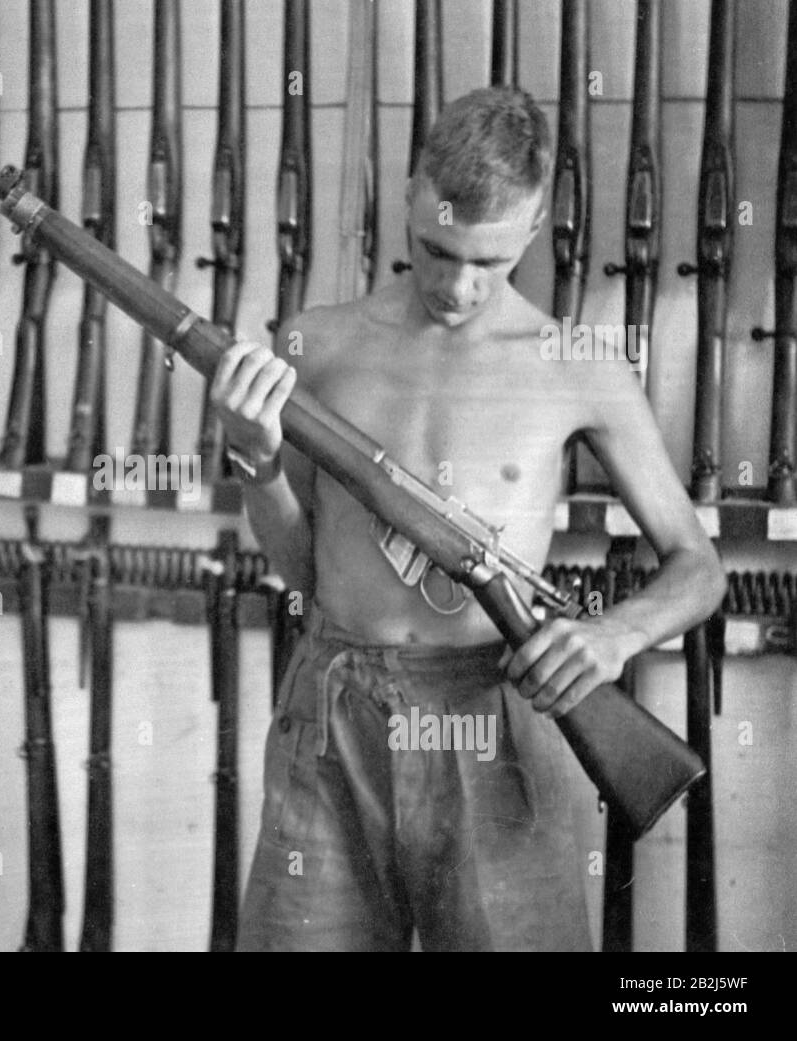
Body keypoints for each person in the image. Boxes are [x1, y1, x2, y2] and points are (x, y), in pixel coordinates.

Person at [212, 87, 727, 952]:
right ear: (413, 191)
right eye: (437, 249)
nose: (456, 285)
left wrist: (614, 636)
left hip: (495, 711)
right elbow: (304, 569)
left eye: (489, 262)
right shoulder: (313, 343)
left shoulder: (579, 369)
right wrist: (254, 463)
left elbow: (696, 564)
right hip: (332, 705)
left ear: (535, 229)